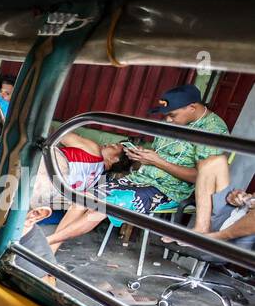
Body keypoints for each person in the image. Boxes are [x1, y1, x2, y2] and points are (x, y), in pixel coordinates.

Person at [45, 85, 230, 251]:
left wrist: (157, 161)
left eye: (172, 115)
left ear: (192, 108)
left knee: (99, 208)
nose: (168, 119)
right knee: (82, 199)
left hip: (168, 190)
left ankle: (48, 243)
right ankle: (50, 252)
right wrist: (143, 156)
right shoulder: (173, 122)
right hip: (139, 180)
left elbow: (199, 178)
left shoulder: (213, 130)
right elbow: (160, 153)